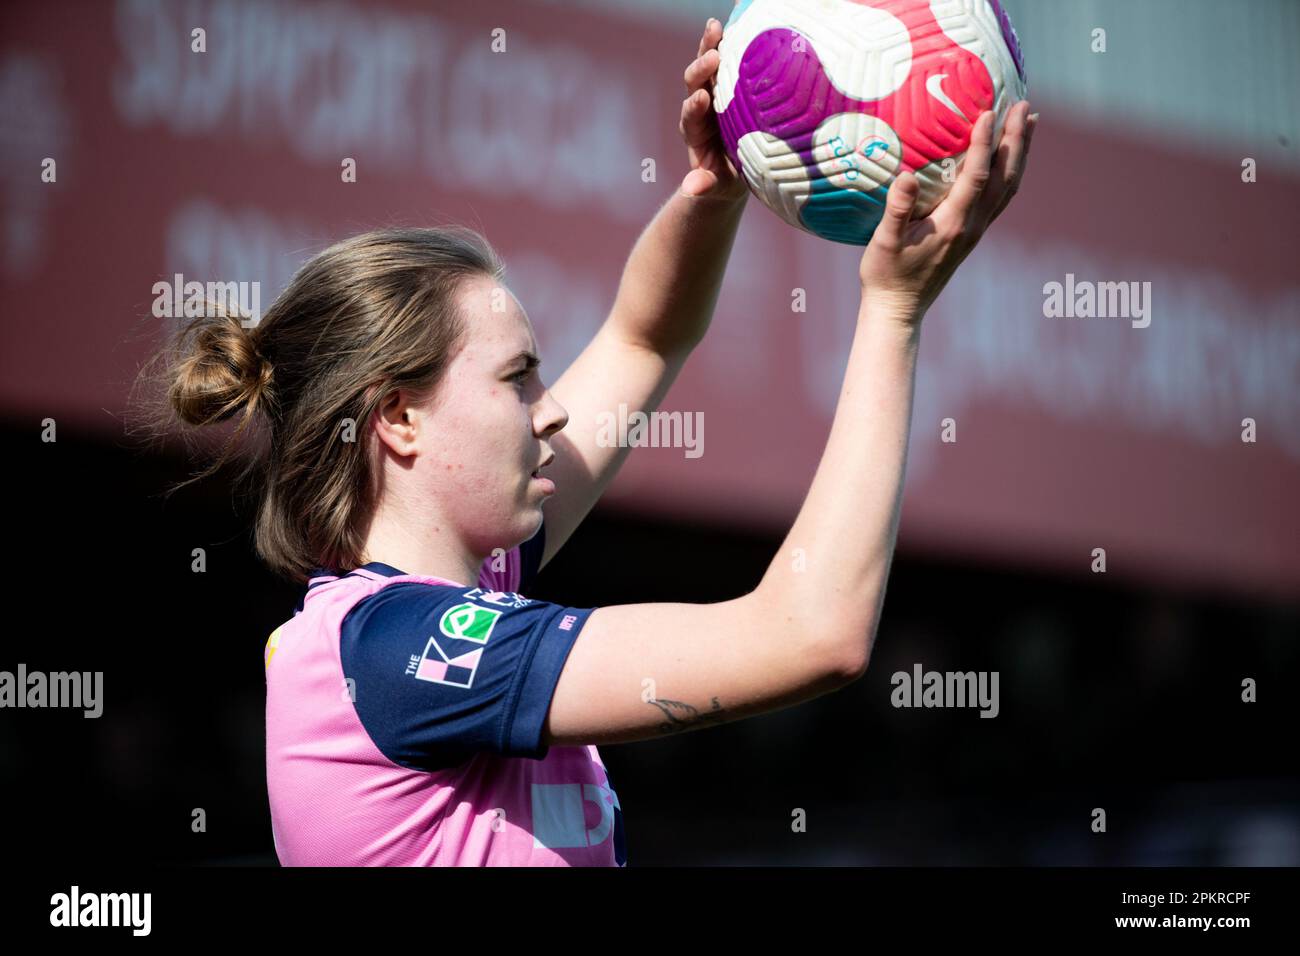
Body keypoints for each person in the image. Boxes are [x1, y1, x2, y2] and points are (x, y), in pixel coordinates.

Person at [148, 17, 1035, 866]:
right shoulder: (399, 652)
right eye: (515, 378)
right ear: (398, 419)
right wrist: (892, 312)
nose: (553, 409)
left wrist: (714, 186)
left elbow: (644, 337)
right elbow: (811, 635)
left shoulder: (439, 607)